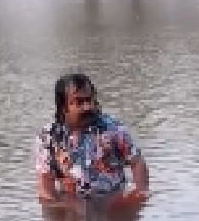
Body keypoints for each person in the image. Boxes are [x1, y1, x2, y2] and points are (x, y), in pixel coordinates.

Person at [35, 74, 150, 204]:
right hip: (73, 207)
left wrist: (140, 194)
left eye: (89, 100)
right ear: (63, 107)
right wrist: (57, 208)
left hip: (112, 205)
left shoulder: (113, 129)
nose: (87, 106)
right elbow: (45, 184)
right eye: (79, 102)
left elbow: (137, 162)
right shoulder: (49, 137)